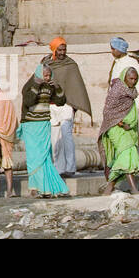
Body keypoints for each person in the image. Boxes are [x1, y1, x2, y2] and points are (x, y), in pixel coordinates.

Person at [42, 37, 91, 177]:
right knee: (55, 139)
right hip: (51, 106)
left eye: (64, 50)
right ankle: (59, 168)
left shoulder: (71, 65)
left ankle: (70, 167)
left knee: (67, 135)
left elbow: (76, 86)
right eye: (60, 50)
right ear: (54, 50)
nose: (62, 52)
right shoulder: (46, 63)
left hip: (66, 105)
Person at [18, 64, 69, 197]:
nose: (47, 78)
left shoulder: (49, 86)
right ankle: (36, 186)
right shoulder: (29, 86)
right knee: (34, 157)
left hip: (44, 124)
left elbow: (61, 101)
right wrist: (37, 85)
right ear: (39, 74)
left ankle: (46, 186)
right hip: (30, 125)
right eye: (45, 75)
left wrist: (57, 87)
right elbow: (29, 101)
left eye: (49, 75)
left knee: (45, 155)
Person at [99, 67, 139, 195]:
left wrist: (130, 125)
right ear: (124, 77)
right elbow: (108, 112)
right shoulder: (117, 90)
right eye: (131, 78)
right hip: (116, 129)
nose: (133, 82)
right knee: (127, 153)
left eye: (135, 79)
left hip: (129, 130)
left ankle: (109, 188)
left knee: (126, 157)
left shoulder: (131, 91)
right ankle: (134, 189)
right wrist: (122, 124)